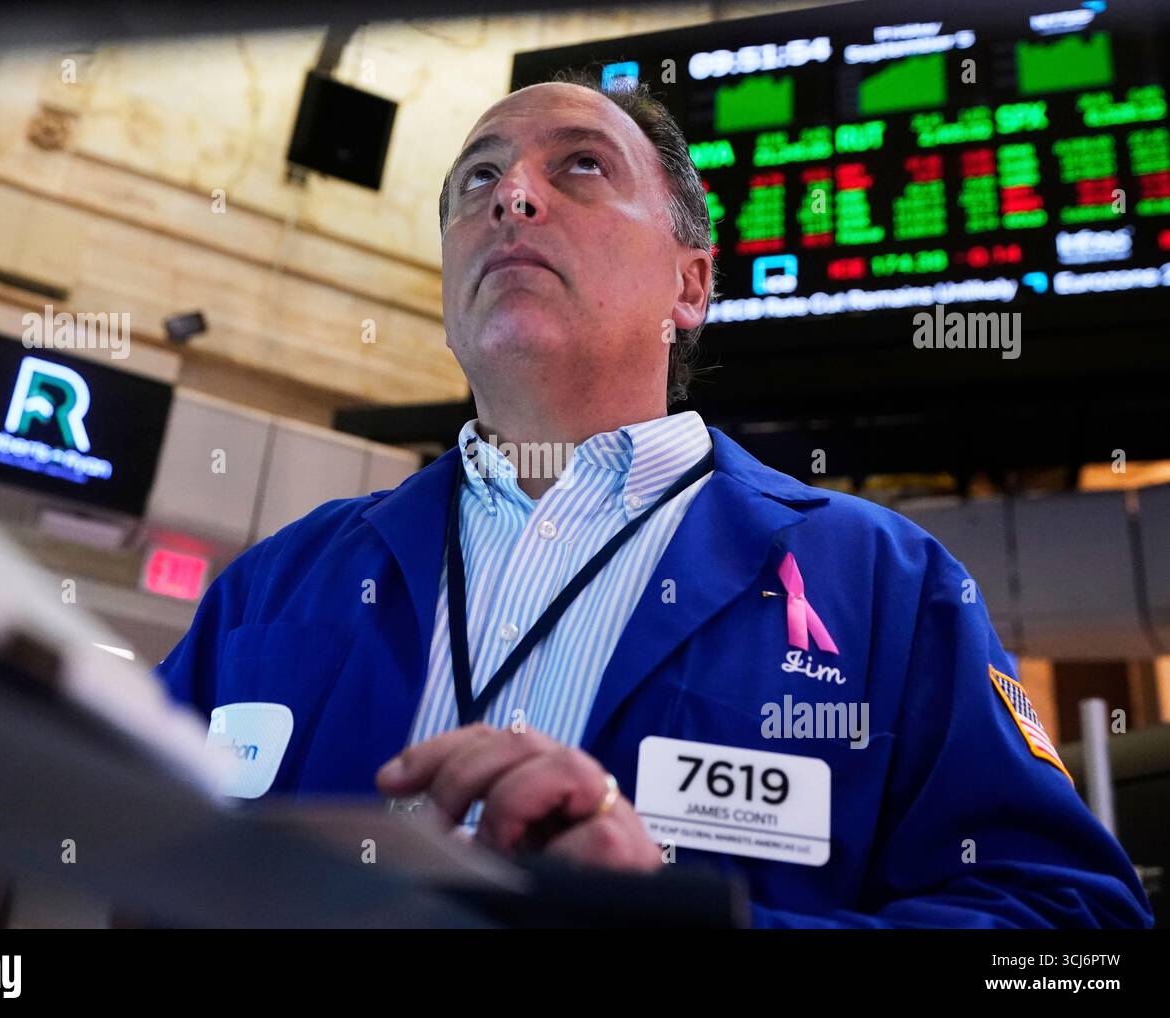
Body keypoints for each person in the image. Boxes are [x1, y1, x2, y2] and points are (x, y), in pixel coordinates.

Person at [157, 73, 1152, 928]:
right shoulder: (272, 586)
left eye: (580, 166)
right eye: (476, 178)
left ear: (691, 282)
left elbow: (1067, 934)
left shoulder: (887, 587)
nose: (510, 197)